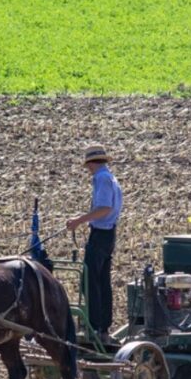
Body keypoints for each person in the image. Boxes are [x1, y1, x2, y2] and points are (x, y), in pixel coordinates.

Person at [66, 145, 123, 343]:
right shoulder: (110, 178)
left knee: (89, 281)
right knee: (102, 281)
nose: (87, 169)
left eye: (88, 165)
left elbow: (104, 208)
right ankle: (102, 326)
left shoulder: (101, 178)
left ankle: (94, 325)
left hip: (101, 234)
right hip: (108, 234)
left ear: (91, 163)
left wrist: (78, 221)